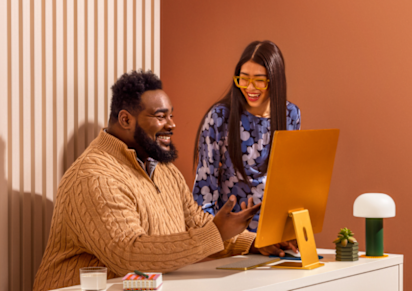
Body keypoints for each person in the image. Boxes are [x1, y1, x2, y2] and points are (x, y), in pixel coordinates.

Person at [33, 70, 286, 291]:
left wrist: (254, 242)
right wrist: (216, 233)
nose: (172, 124)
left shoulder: (163, 169)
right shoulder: (94, 177)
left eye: (171, 116)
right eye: (160, 116)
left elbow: (198, 226)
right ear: (125, 120)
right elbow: (129, 255)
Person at [192, 40, 301, 234]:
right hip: (234, 237)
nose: (250, 87)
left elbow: (289, 180)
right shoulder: (219, 117)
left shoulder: (290, 114)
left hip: (275, 232)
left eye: (259, 80)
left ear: (275, 80)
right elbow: (204, 187)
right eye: (243, 78)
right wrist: (210, 238)